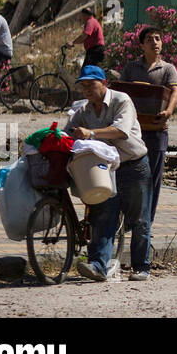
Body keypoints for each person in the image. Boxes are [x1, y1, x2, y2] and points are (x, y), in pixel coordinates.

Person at [67, 66, 151, 282]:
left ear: (104, 83)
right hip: (106, 169)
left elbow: (121, 131)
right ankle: (98, 266)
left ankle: (141, 267)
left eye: (91, 85)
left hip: (134, 165)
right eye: (83, 86)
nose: (86, 90)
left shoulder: (122, 101)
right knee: (104, 217)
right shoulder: (84, 111)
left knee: (139, 218)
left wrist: (91, 133)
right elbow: (68, 131)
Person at [118, 26, 177, 225]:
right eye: (150, 39)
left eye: (158, 38)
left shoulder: (168, 68)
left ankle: (146, 223)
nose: (155, 42)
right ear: (142, 45)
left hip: (157, 131)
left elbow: (175, 92)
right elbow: (120, 93)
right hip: (133, 133)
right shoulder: (131, 68)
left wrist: (169, 111)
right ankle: (126, 220)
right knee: (128, 175)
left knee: (153, 178)